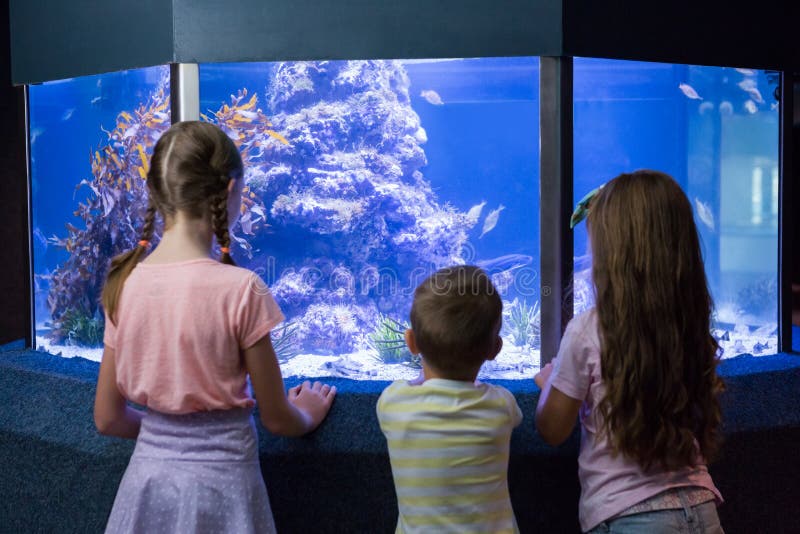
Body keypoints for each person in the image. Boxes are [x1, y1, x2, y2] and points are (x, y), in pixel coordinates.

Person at [94, 121, 336, 533]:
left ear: (156, 193)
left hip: (146, 489)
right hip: (224, 493)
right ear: (230, 192)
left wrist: (166, 439)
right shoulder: (243, 289)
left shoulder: (125, 284)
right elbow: (277, 418)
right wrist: (308, 415)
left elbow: (108, 418)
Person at [535, 170, 725, 533]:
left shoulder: (589, 329)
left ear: (610, 254)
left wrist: (550, 382)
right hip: (703, 509)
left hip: (628, 515)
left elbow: (552, 429)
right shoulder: (690, 322)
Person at [377, 265, 522, 533]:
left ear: (411, 342)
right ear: (495, 349)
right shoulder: (502, 405)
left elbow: (418, 386)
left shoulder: (392, 402)